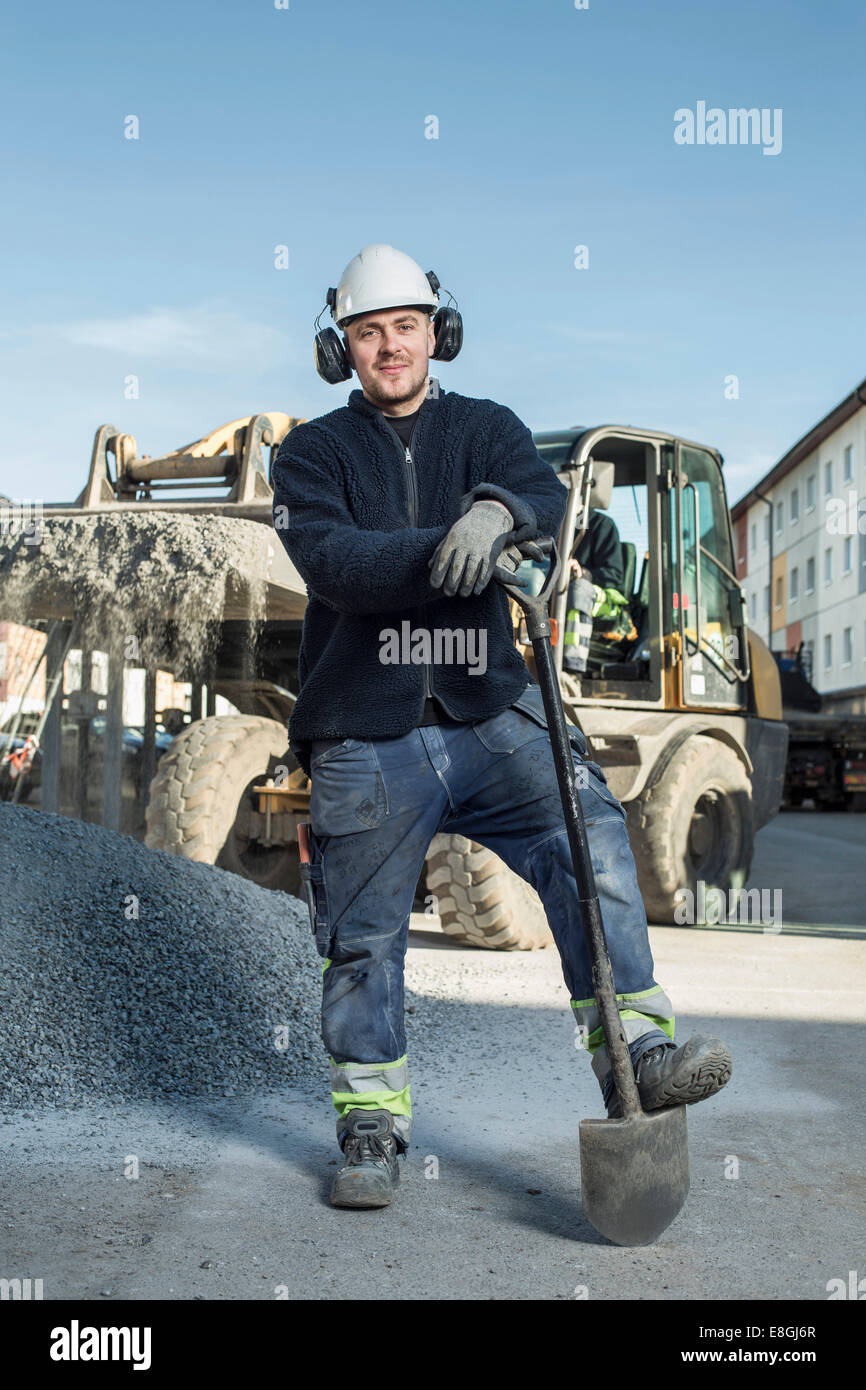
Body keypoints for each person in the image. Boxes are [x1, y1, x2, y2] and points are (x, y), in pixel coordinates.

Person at [271, 244, 732, 1209]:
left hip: (489, 706)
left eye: (405, 326)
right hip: (365, 727)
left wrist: (503, 504)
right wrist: (455, 541)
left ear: (439, 334)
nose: (389, 346)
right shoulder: (311, 452)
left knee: (595, 840)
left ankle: (636, 1059)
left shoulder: (488, 428)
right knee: (362, 938)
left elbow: (548, 499)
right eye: (368, 332)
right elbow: (333, 561)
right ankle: (369, 1125)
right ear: (340, 347)